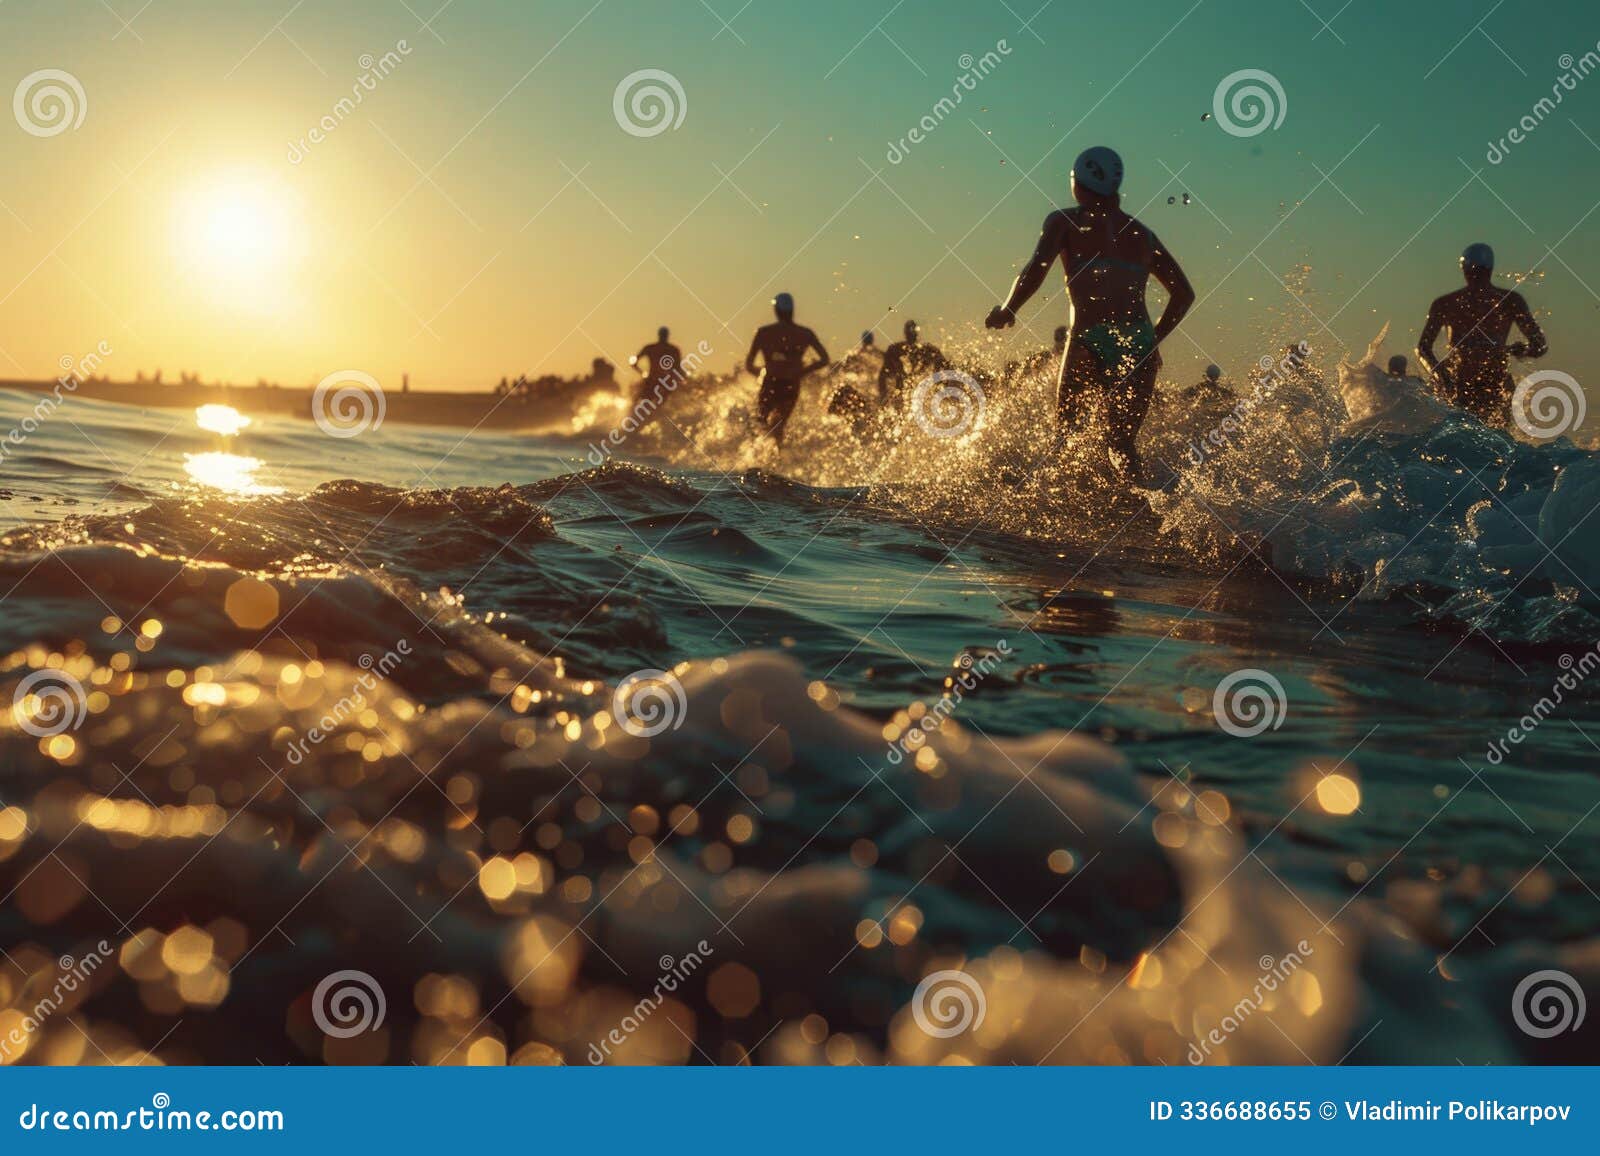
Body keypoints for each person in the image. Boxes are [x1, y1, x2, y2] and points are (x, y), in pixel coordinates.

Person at [986, 146, 1195, 485]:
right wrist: (1152, 342)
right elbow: (1184, 294)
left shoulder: (1065, 222)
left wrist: (1009, 308)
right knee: (1123, 447)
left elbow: (1036, 270)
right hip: (1137, 341)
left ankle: (1057, 514)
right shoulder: (1143, 235)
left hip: (1090, 337)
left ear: (1079, 184)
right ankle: (1148, 516)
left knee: (1067, 437)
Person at [1416, 243, 1547, 426]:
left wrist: (1441, 376)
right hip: (1490, 378)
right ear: (1490, 269)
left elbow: (1422, 349)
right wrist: (1521, 350)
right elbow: (1539, 346)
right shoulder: (1510, 300)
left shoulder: (1446, 303)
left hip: (1463, 379)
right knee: (1496, 441)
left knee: (1463, 438)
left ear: (1464, 268)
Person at [744, 292, 830, 443]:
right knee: (779, 426)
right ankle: (779, 460)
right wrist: (802, 372)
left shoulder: (763, 333)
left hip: (770, 382)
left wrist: (763, 373)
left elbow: (749, 365)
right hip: (791, 384)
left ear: (776, 311)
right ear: (792, 310)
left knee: (760, 423)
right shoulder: (805, 334)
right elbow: (824, 359)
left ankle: (757, 460)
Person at [878, 319, 950, 407]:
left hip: (904, 395)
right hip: (918, 395)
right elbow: (945, 366)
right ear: (916, 333)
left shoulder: (896, 349)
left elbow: (883, 376)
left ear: (905, 333)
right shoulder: (927, 350)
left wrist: (883, 396)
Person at [631, 326, 682, 402]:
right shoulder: (673, 349)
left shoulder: (650, 348)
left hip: (654, 380)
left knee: (640, 401)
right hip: (663, 381)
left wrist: (642, 373)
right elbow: (678, 369)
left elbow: (633, 363)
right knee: (644, 402)